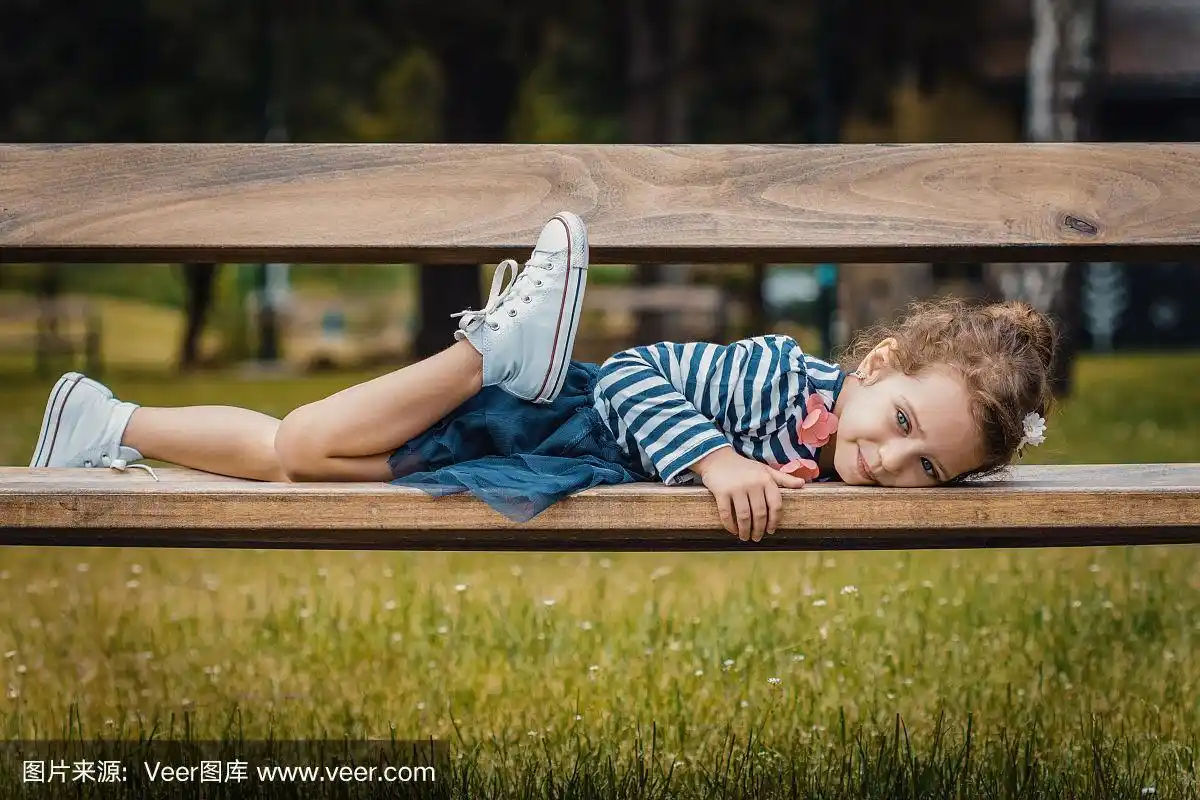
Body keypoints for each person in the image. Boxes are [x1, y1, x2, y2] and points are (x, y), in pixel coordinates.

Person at [27, 212, 1057, 543]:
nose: (890, 458)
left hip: (537, 451)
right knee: (300, 446)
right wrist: (711, 454)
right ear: (875, 365)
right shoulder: (779, 382)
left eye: (929, 469)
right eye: (903, 419)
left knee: (285, 455)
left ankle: (104, 416)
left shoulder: (846, 443)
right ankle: (497, 346)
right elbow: (639, 377)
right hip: (544, 416)